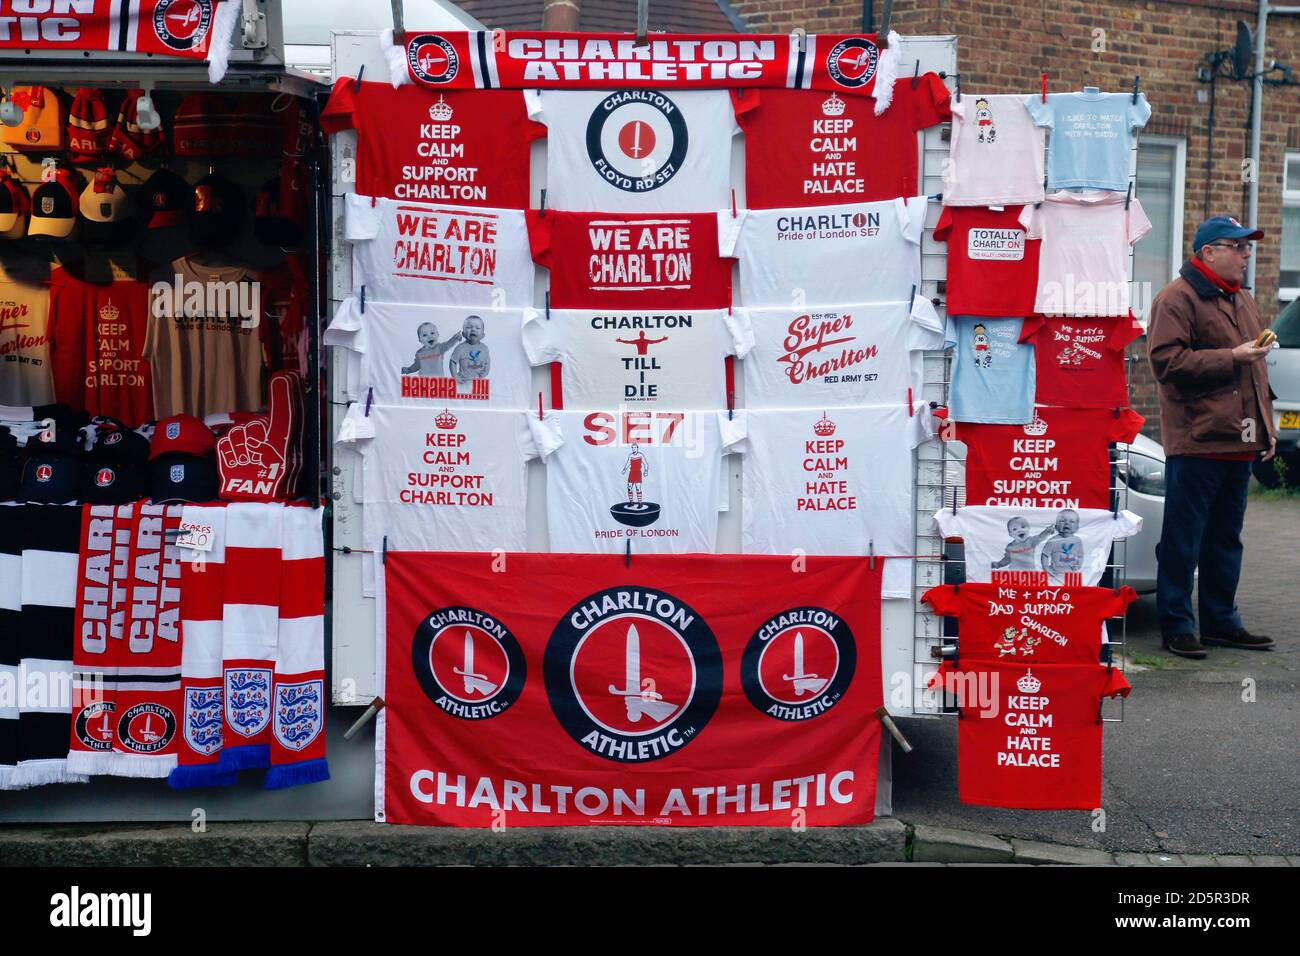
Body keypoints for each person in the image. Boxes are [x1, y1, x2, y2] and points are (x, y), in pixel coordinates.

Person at [1147, 216, 1277, 659]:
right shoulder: (1175, 299)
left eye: (1248, 248)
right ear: (1208, 253)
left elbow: (1256, 369)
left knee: (1225, 539)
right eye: (1238, 248)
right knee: (1184, 541)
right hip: (1197, 441)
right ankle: (1177, 626)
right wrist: (1231, 356)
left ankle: (1221, 622)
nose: (1246, 256)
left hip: (1238, 443)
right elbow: (1167, 363)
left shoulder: (1241, 298)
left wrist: (1266, 428)